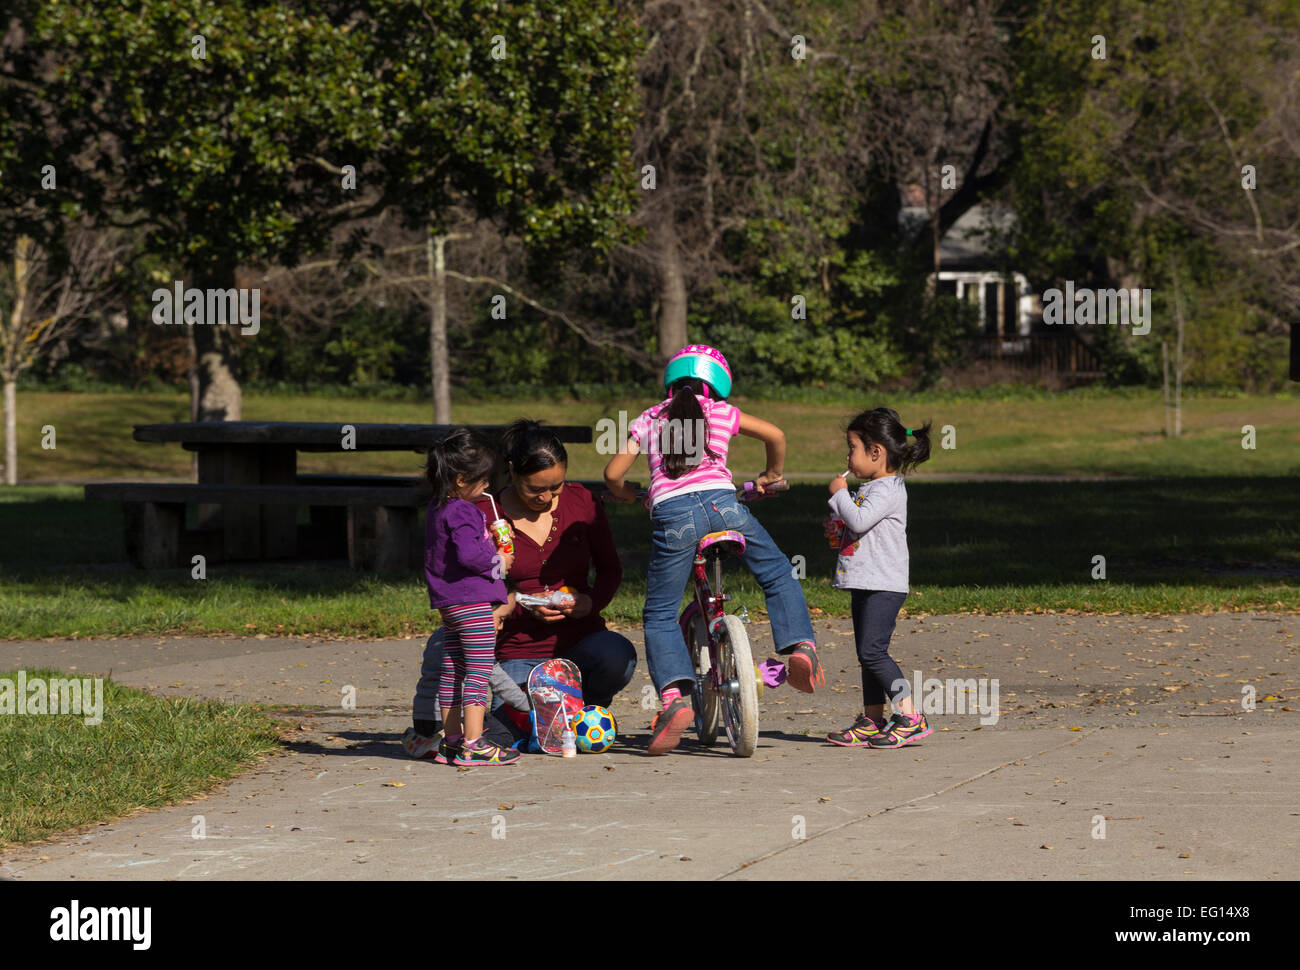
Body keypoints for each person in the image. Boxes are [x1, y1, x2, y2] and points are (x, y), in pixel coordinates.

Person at [603, 344, 824, 755]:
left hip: (672, 518)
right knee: (777, 574)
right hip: (726, 507)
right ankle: (801, 648)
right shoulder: (723, 413)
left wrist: (624, 492)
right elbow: (776, 434)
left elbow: (613, 472)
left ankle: (672, 701)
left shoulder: (648, 418)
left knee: (660, 611)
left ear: (670, 381)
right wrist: (770, 476)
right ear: (718, 384)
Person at [405, 419, 637, 754]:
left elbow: (610, 569)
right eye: (535, 489)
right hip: (518, 652)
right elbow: (466, 580)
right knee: (501, 716)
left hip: (579, 642)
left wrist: (589, 602)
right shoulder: (483, 510)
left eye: (555, 487)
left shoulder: (582, 502)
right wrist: (513, 601)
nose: (547, 497)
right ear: (512, 472)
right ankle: (531, 725)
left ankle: (573, 712)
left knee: (618, 655)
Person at [824, 406, 934, 749]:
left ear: (876, 452)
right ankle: (872, 720)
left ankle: (910, 716)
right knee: (867, 654)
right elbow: (855, 527)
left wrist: (839, 494)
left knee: (874, 652)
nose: (848, 455)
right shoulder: (872, 488)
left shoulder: (888, 489)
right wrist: (835, 527)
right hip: (866, 581)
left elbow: (859, 520)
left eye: (853, 448)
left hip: (884, 584)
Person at [419, 427, 521, 766]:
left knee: (453, 670)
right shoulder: (464, 511)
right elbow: (468, 556)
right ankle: (474, 743)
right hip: (472, 603)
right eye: (483, 479)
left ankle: (451, 741)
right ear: (462, 479)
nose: (487, 486)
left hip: (450, 604)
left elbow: (454, 552)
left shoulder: (438, 509)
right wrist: (499, 559)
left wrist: (487, 537)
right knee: (478, 671)